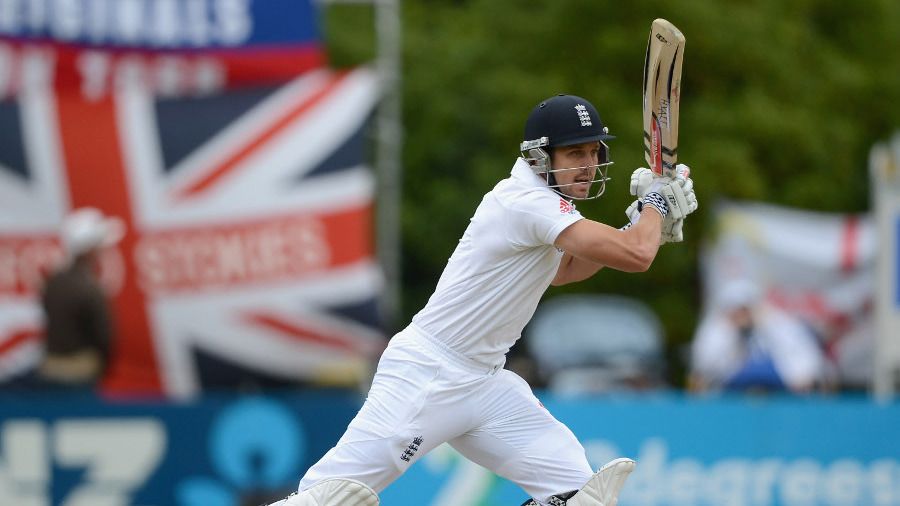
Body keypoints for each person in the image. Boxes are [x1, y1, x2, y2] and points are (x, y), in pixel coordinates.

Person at [270, 94, 698, 506]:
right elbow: (636, 256)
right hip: (429, 373)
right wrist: (654, 207)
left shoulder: (546, 205)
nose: (589, 164)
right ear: (540, 157)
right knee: (329, 497)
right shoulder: (527, 202)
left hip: (487, 385)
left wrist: (642, 225)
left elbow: (566, 269)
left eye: (593, 151)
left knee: (582, 495)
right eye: (575, 153)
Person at [37, 207, 124, 390]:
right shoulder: (90, 288)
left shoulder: (53, 282)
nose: (101, 251)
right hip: (81, 375)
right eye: (98, 246)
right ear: (89, 250)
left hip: (50, 369)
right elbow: (104, 338)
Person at [689, 278, 826, 394]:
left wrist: (801, 377)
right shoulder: (717, 329)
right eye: (737, 310)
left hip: (780, 395)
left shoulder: (779, 324)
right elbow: (705, 366)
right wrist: (729, 331)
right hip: (730, 396)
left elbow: (805, 359)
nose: (742, 315)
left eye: (745, 309)